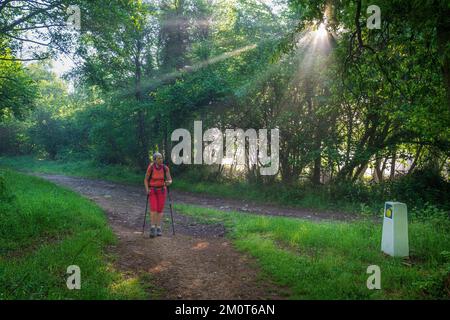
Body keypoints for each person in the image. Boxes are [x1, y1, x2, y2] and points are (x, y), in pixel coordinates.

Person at [144, 152, 172, 238]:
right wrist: (147, 189)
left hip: (162, 190)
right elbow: (145, 180)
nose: (161, 159)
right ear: (155, 159)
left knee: (160, 209)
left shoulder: (165, 168)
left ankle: (159, 228)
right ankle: (152, 228)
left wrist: (168, 182)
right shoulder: (151, 167)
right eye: (159, 158)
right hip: (152, 190)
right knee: (154, 209)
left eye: (161, 158)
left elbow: (170, 179)